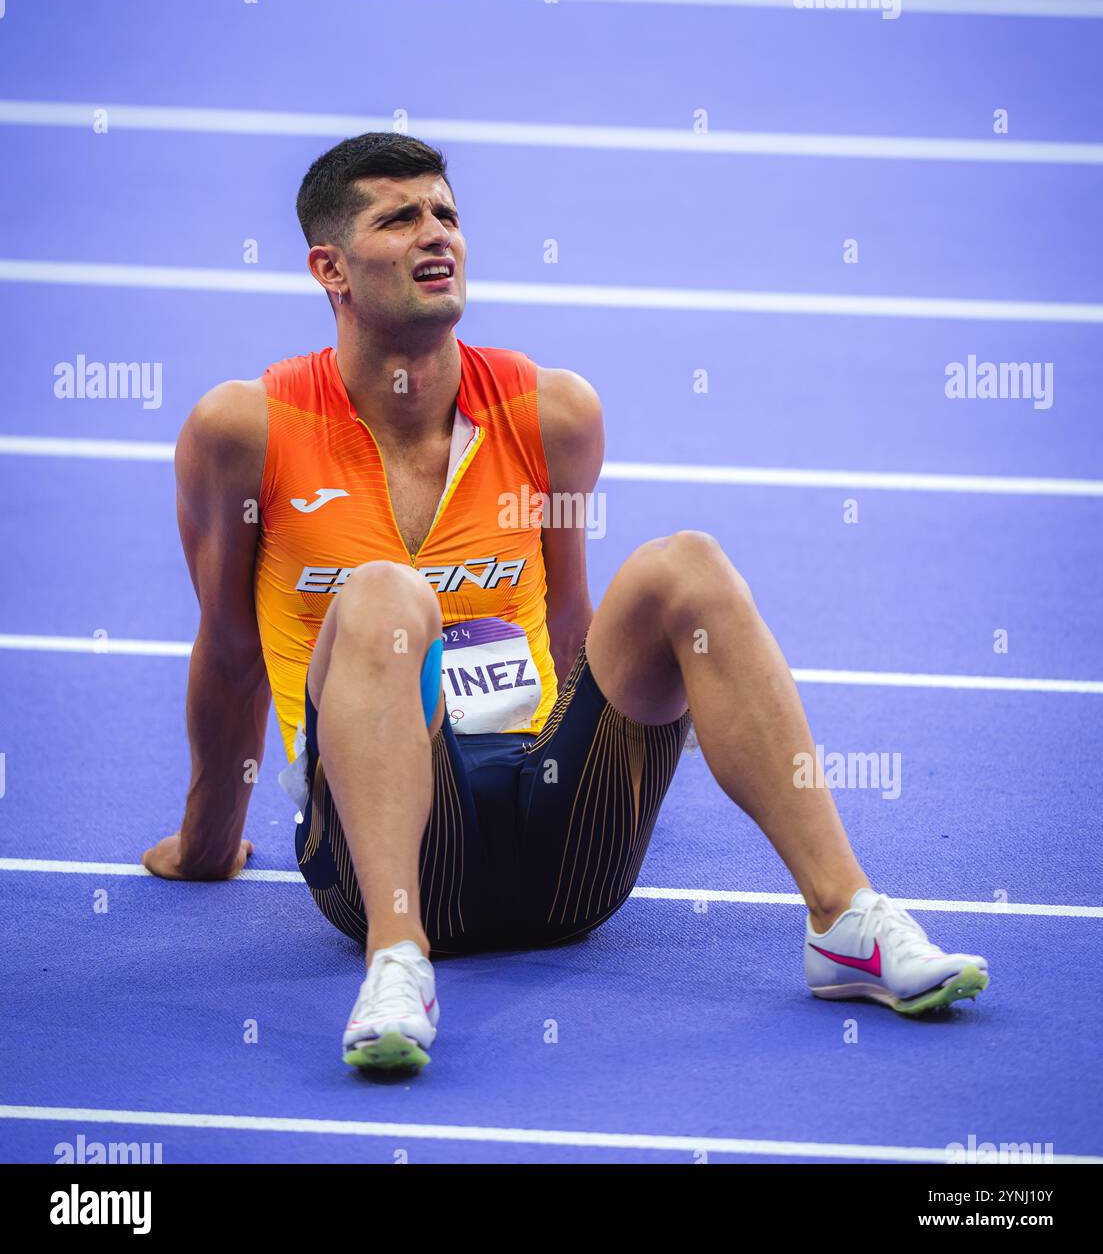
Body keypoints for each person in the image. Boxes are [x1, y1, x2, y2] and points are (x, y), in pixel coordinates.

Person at [144, 133, 989, 1072]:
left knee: (686, 564)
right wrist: (207, 841)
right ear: (328, 268)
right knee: (386, 594)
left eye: (448, 215)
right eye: (400, 218)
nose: (438, 237)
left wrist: (623, 760)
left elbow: (574, 631)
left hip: (565, 853)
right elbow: (228, 650)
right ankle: (397, 963)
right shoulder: (244, 430)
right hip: (381, 866)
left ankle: (845, 918)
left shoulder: (551, 413)